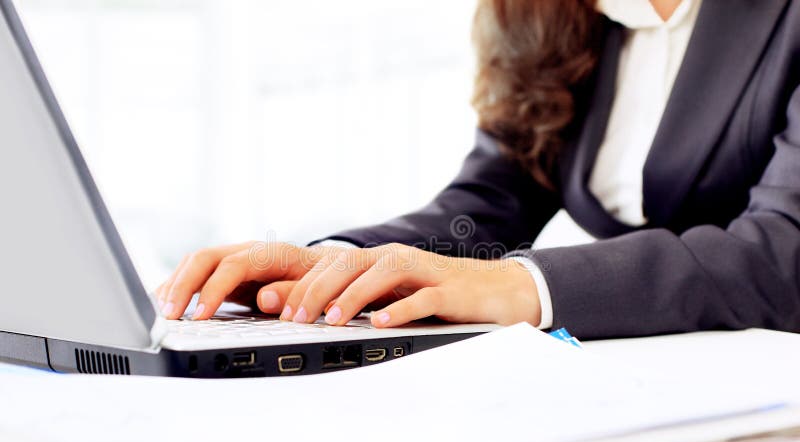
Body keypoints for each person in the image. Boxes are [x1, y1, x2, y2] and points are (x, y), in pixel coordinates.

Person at [156, 0, 800, 340]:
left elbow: (782, 249)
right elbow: (488, 202)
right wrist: (336, 263)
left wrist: (518, 287)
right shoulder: (551, 14)